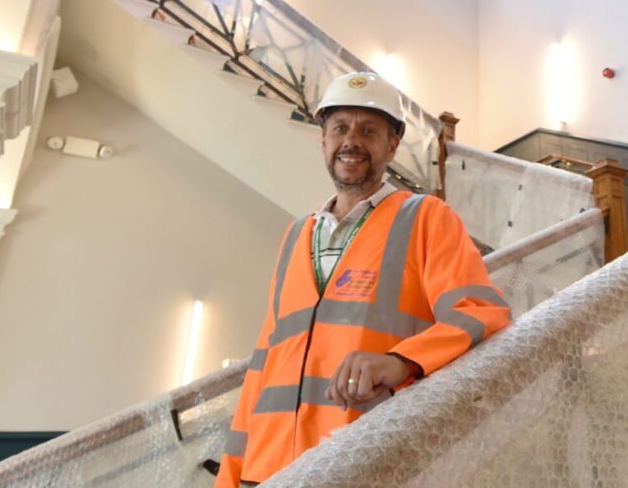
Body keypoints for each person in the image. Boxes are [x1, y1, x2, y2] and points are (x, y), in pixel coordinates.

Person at [215, 71, 511, 486]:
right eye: (340, 128)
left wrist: (401, 361)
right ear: (323, 141)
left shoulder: (425, 218)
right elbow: (264, 363)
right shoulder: (296, 234)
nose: (351, 140)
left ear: (392, 145)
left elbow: (483, 312)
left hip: (363, 465)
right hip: (267, 473)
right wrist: (229, 480)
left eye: (368, 130)